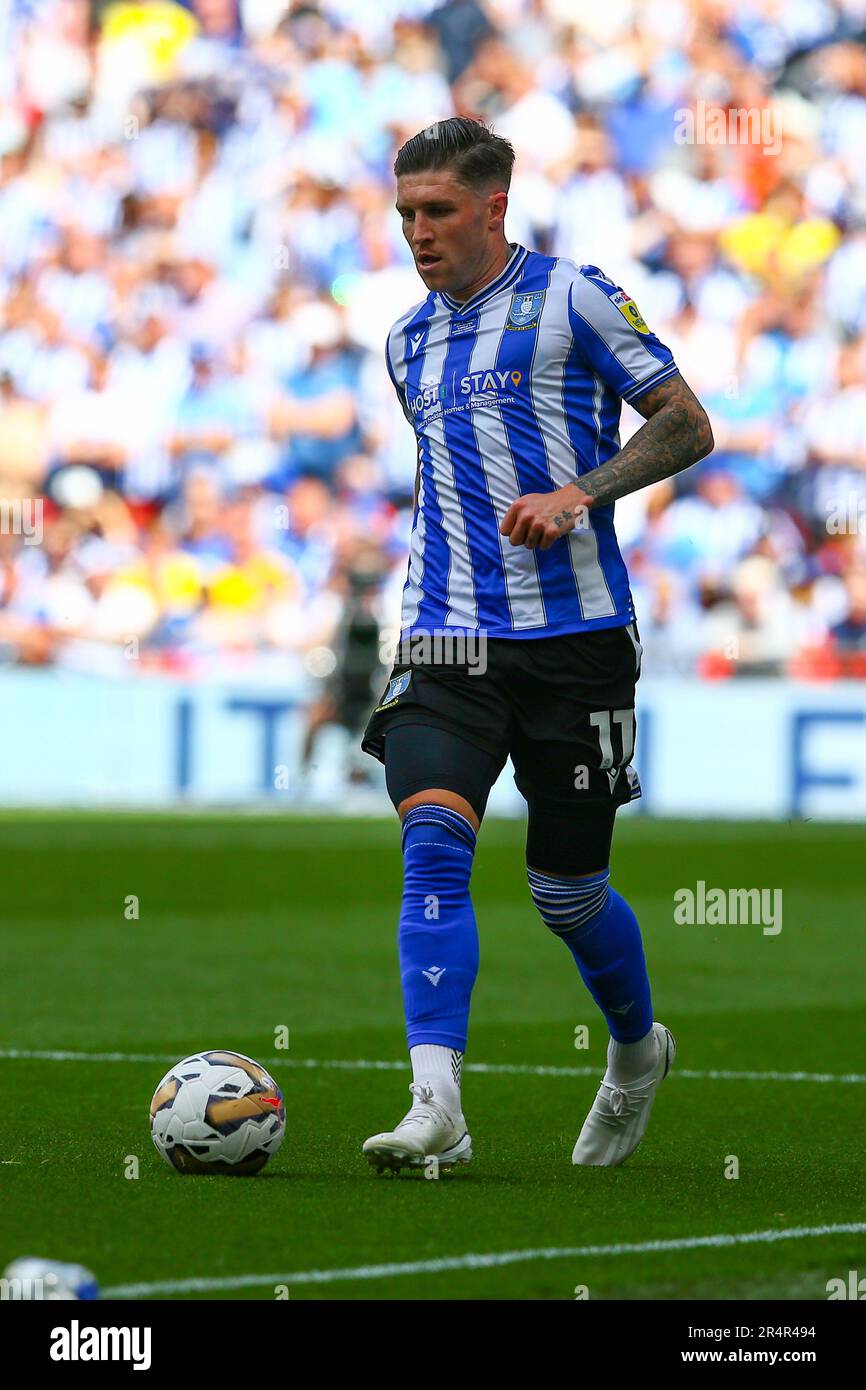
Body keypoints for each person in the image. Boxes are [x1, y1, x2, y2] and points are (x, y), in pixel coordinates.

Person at [360, 117, 714, 1173]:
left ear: (492, 207)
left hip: (577, 644)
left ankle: (636, 1048)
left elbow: (685, 423)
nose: (418, 232)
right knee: (432, 846)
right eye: (405, 213)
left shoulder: (575, 297)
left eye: (437, 212)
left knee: (563, 892)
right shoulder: (405, 340)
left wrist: (580, 492)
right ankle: (437, 1105)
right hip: (448, 641)